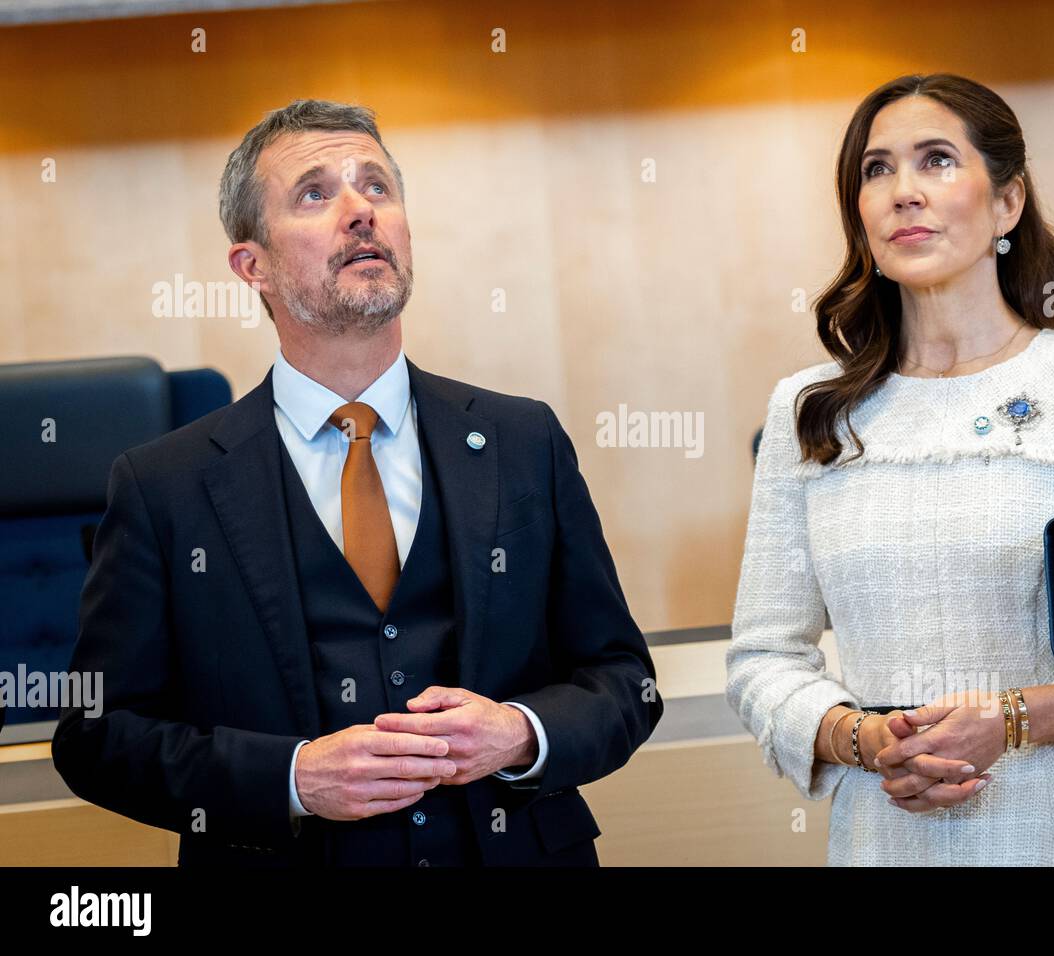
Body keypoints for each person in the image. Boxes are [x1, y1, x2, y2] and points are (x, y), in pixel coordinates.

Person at [52, 99, 662, 867]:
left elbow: (623, 680)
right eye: (315, 194)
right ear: (254, 266)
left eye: (377, 187)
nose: (360, 212)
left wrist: (521, 733)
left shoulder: (522, 440)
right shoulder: (164, 486)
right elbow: (95, 732)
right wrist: (291, 779)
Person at [726, 73, 1054, 866]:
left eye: (936, 161)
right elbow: (764, 658)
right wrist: (862, 738)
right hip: (881, 833)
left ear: (1007, 203)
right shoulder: (811, 408)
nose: (904, 192)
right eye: (877, 170)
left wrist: (1012, 721)